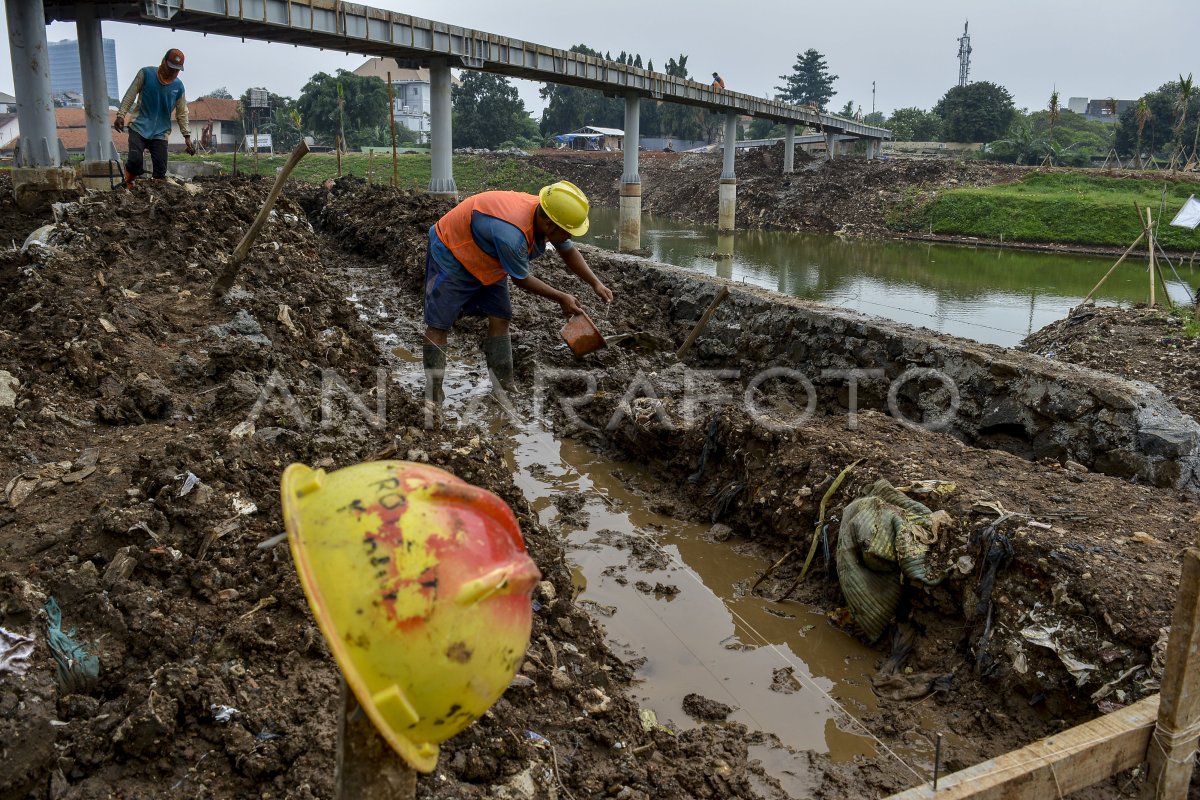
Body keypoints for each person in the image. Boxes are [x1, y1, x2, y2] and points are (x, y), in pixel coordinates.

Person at [422, 181, 613, 406]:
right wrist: (562, 297)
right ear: (550, 225)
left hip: (489, 258)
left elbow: (568, 250)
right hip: (452, 252)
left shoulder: (547, 213)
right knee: (439, 324)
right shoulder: (511, 235)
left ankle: (503, 385)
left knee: (501, 317)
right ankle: (433, 395)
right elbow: (521, 279)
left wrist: (595, 283)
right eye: (568, 231)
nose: (570, 236)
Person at [113, 48, 195, 188]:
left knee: (160, 169)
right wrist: (121, 115)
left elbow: (182, 112)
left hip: (160, 132)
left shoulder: (178, 87)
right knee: (135, 160)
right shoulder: (146, 74)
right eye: (171, 68)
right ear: (163, 62)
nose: (173, 72)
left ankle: (155, 194)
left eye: (176, 70)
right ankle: (128, 183)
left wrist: (186, 135)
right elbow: (130, 95)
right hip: (139, 126)